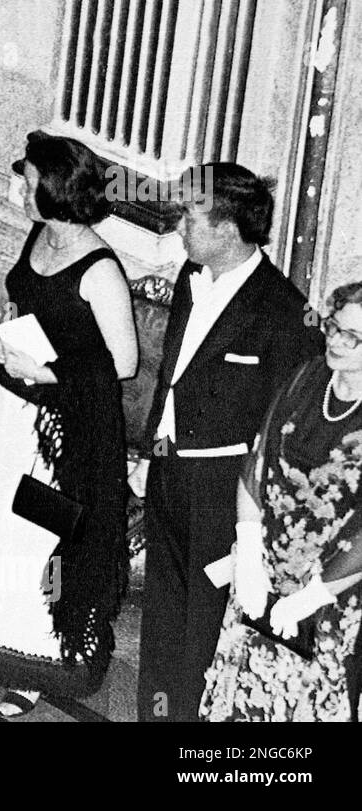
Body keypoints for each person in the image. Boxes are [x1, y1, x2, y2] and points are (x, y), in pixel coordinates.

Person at [0, 133, 137, 717]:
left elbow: (121, 364)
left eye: (27, 183)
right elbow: (32, 298)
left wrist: (47, 371)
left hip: (60, 432)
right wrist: (12, 317)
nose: (18, 191)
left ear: (56, 192)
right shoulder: (40, 234)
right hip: (11, 414)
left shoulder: (100, 268)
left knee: (38, 546)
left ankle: (34, 665)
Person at [136, 162, 322, 721]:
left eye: (191, 214)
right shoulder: (190, 283)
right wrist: (150, 451)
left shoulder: (285, 313)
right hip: (169, 472)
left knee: (206, 625)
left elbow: (280, 432)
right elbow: (173, 374)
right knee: (162, 612)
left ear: (228, 227)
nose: (179, 225)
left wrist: (253, 524)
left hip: (224, 488)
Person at [199, 282, 362, 721]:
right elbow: (259, 460)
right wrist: (249, 552)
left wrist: (313, 595)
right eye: (333, 327)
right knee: (241, 694)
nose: (336, 341)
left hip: (332, 593)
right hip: (262, 575)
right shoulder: (307, 377)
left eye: (354, 337)